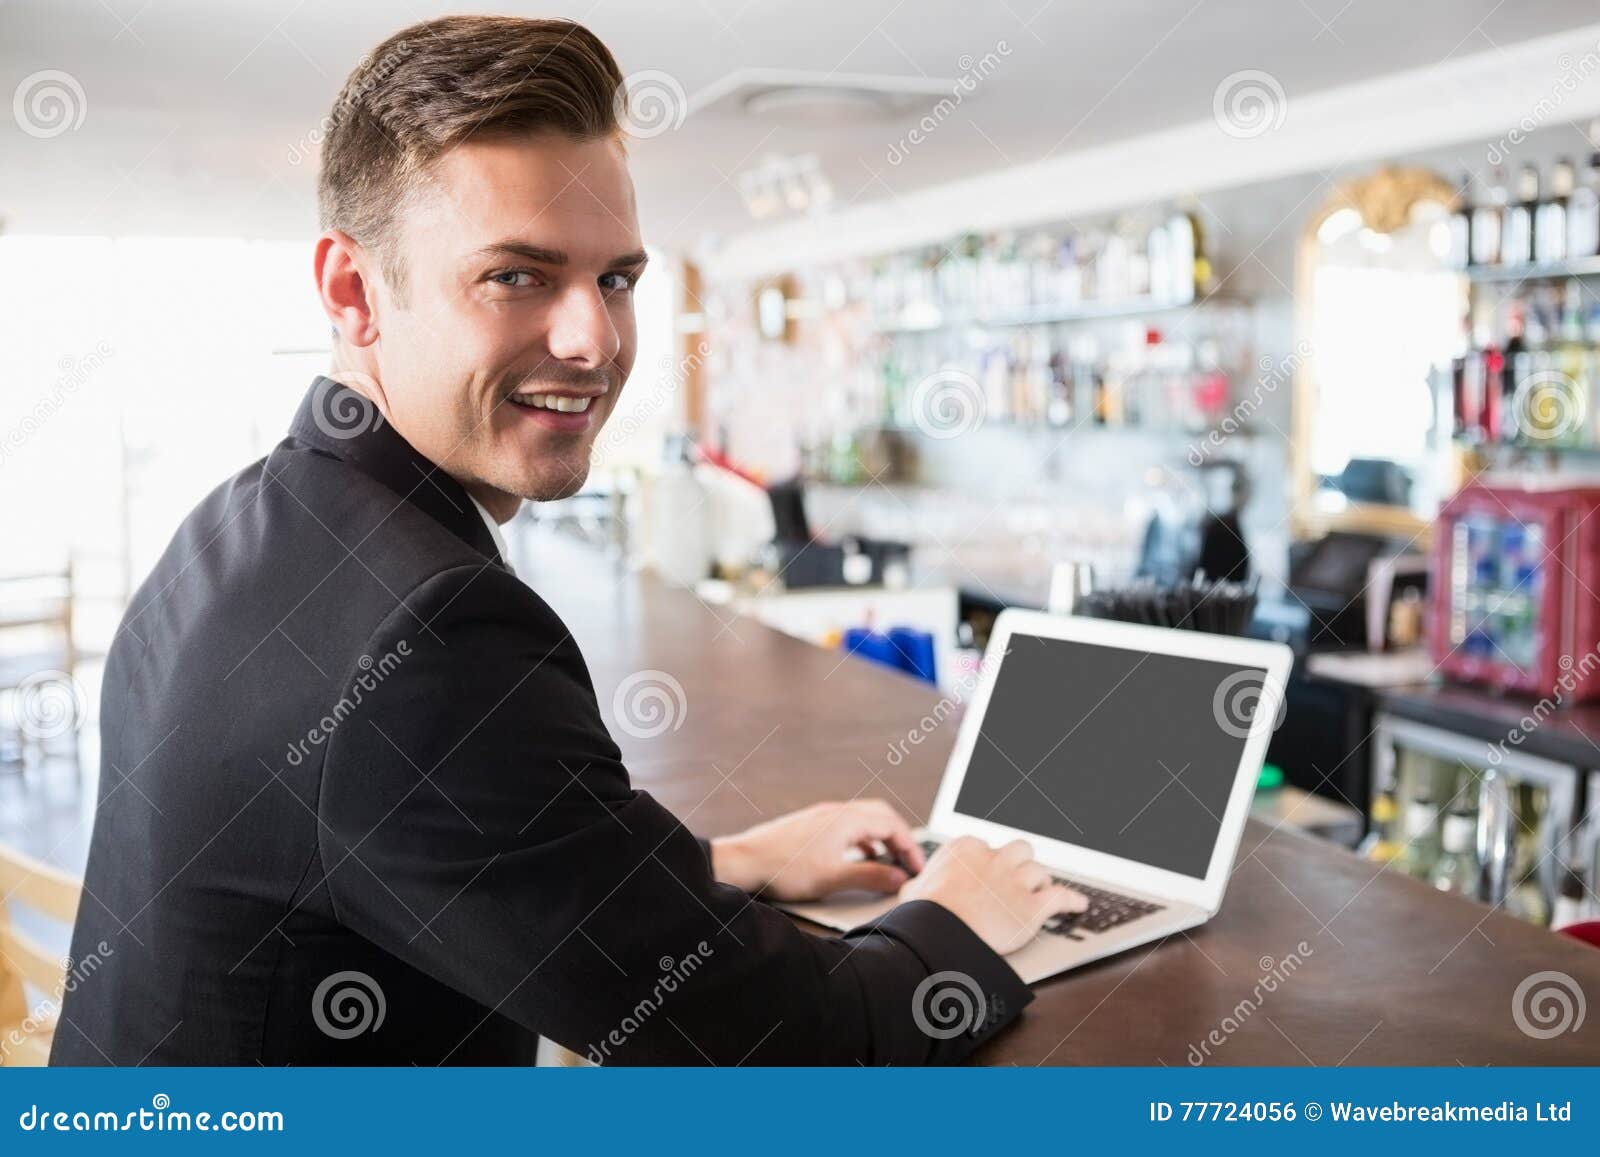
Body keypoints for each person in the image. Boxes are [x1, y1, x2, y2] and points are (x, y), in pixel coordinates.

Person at [53, 15, 1083, 1067]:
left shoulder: (235, 524)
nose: (594, 339)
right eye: (517, 275)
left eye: (618, 278)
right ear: (354, 292)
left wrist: (729, 860)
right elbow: (793, 1045)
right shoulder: (430, 632)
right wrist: (954, 912)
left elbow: (420, 854)